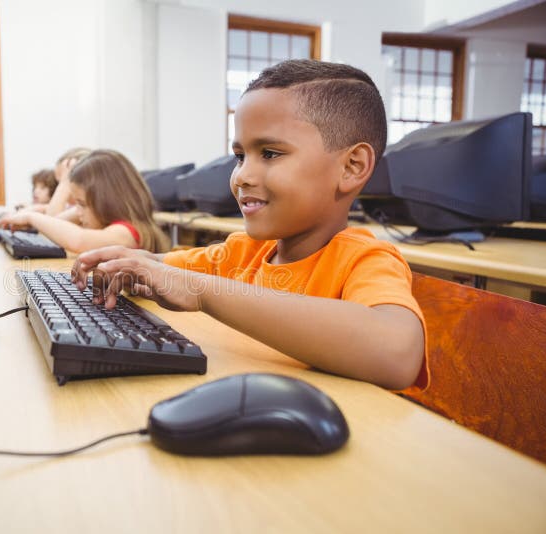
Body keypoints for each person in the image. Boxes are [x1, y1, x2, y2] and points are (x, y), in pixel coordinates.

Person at [71, 59, 428, 391]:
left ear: (351, 167)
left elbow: (397, 353)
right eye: (240, 156)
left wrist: (202, 292)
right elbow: (165, 269)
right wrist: (128, 261)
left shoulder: (365, 260)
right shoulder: (242, 252)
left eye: (270, 153)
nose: (242, 175)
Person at [0, 149, 171, 254]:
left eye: (82, 204)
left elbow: (78, 240)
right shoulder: (104, 219)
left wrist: (30, 218)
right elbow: (56, 223)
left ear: (106, 201)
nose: (77, 211)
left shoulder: (126, 232)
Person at [45, 147, 92, 216]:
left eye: (64, 179)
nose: (58, 190)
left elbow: (50, 221)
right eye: (58, 183)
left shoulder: (86, 209)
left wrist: (64, 183)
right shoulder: (69, 206)